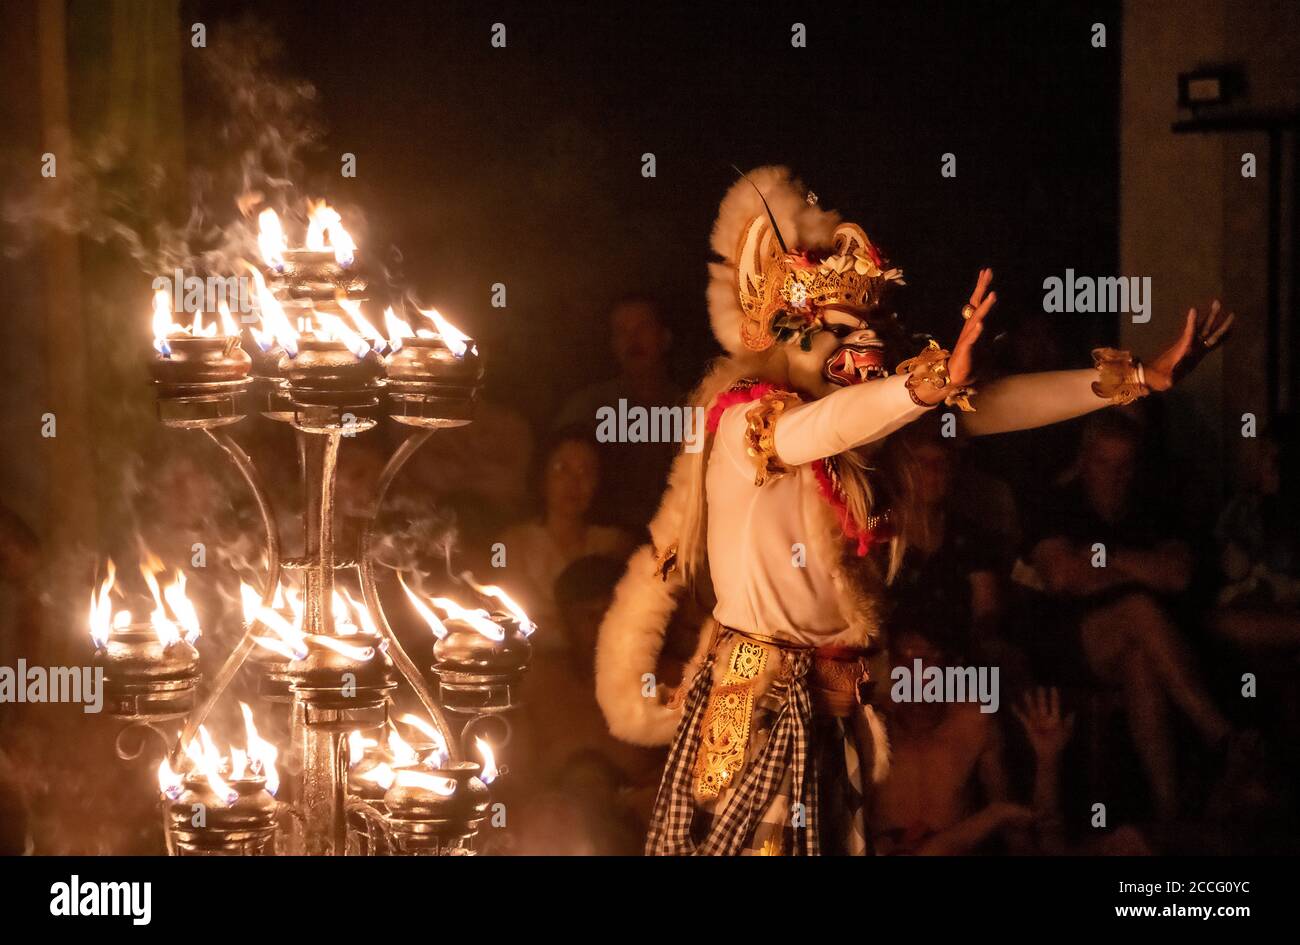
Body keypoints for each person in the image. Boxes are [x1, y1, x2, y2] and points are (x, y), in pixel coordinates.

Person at [595, 165, 1236, 855]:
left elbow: (990, 404)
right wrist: (925, 385)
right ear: (787, 334)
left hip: (836, 699)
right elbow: (827, 426)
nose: (863, 352)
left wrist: (1136, 378)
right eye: (840, 335)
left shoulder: (871, 424)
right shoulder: (748, 420)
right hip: (755, 702)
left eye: (867, 334)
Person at [1023, 411, 1236, 822]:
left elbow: (1177, 575)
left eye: (1124, 465)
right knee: (1138, 606)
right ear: (1084, 460)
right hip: (1069, 639)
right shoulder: (1057, 504)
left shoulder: (1150, 508)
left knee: (1140, 657)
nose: (1114, 476)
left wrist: (1103, 557)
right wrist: (1139, 568)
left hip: (1139, 639)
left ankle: (1167, 809)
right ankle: (1220, 735)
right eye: (1104, 463)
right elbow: (1063, 576)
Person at [872, 630, 1031, 855]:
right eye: (904, 656)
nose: (915, 669)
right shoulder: (870, 723)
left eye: (928, 658)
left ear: (952, 665)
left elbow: (1012, 826)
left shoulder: (974, 721)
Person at [555, 295, 684, 532]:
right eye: (622, 332)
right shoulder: (588, 408)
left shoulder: (692, 409)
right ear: (613, 344)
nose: (632, 339)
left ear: (664, 338)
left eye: (642, 328)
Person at [500, 429, 634, 645]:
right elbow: (509, 616)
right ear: (542, 476)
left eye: (585, 471)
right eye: (561, 469)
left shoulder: (615, 544)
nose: (574, 482)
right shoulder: (513, 543)